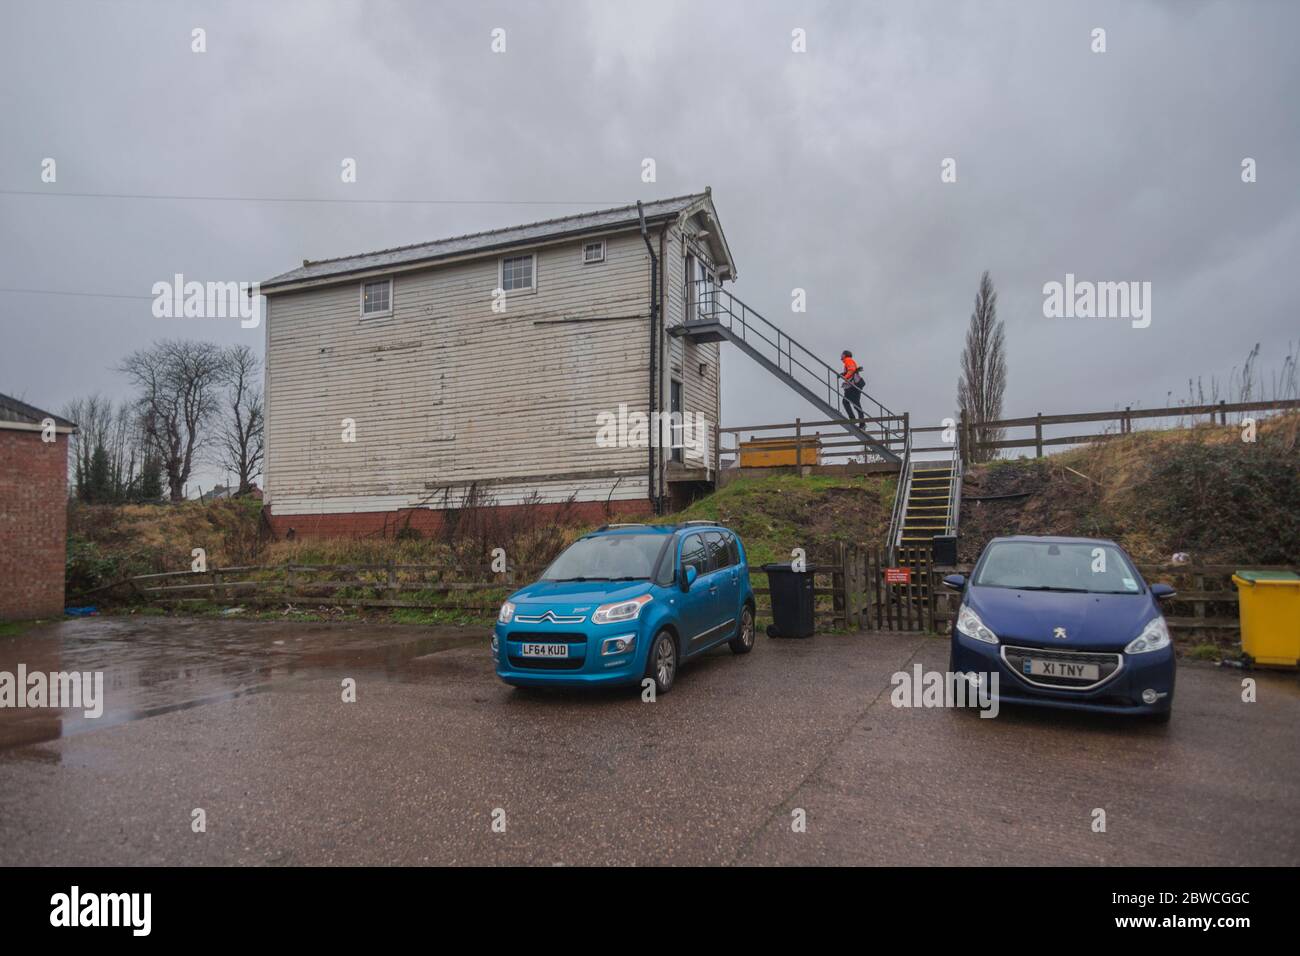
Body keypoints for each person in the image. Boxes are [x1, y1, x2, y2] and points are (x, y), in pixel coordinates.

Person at [840, 350, 865, 421]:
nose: (841, 355)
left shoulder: (848, 360)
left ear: (845, 355)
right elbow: (851, 370)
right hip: (853, 385)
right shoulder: (848, 361)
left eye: (842, 354)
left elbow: (851, 370)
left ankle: (855, 419)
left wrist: (845, 377)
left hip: (852, 385)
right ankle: (860, 421)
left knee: (849, 402)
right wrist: (843, 374)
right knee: (854, 403)